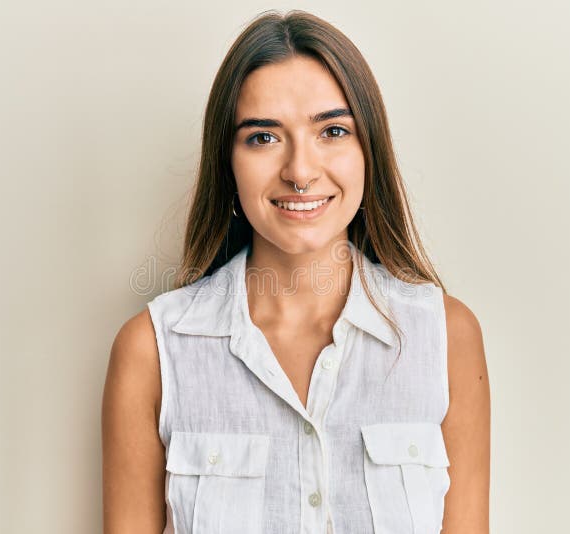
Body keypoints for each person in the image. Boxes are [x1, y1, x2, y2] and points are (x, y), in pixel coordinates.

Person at [102, 9, 489, 534]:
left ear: (368, 150)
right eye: (263, 137)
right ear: (227, 162)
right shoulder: (152, 350)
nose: (301, 171)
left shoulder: (445, 338)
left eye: (332, 130)